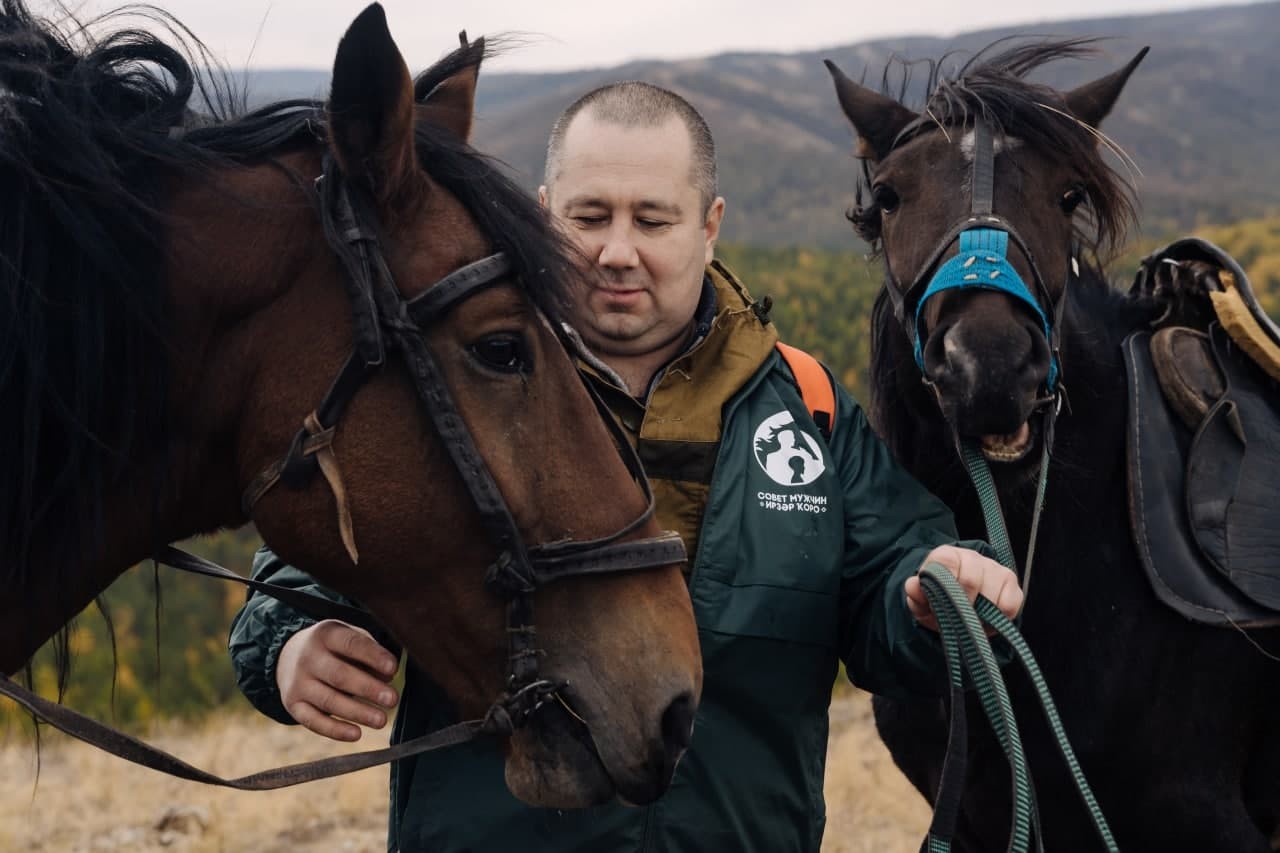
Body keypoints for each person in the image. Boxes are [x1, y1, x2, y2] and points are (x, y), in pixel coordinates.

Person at [228, 81, 1020, 853]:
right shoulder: (456, 389)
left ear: (709, 227)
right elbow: (312, 571)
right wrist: (293, 644)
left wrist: (939, 589)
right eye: (589, 215)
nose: (616, 251)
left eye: (652, 219)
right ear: (542, 213)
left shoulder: (806, 405)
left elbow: (893, 581)